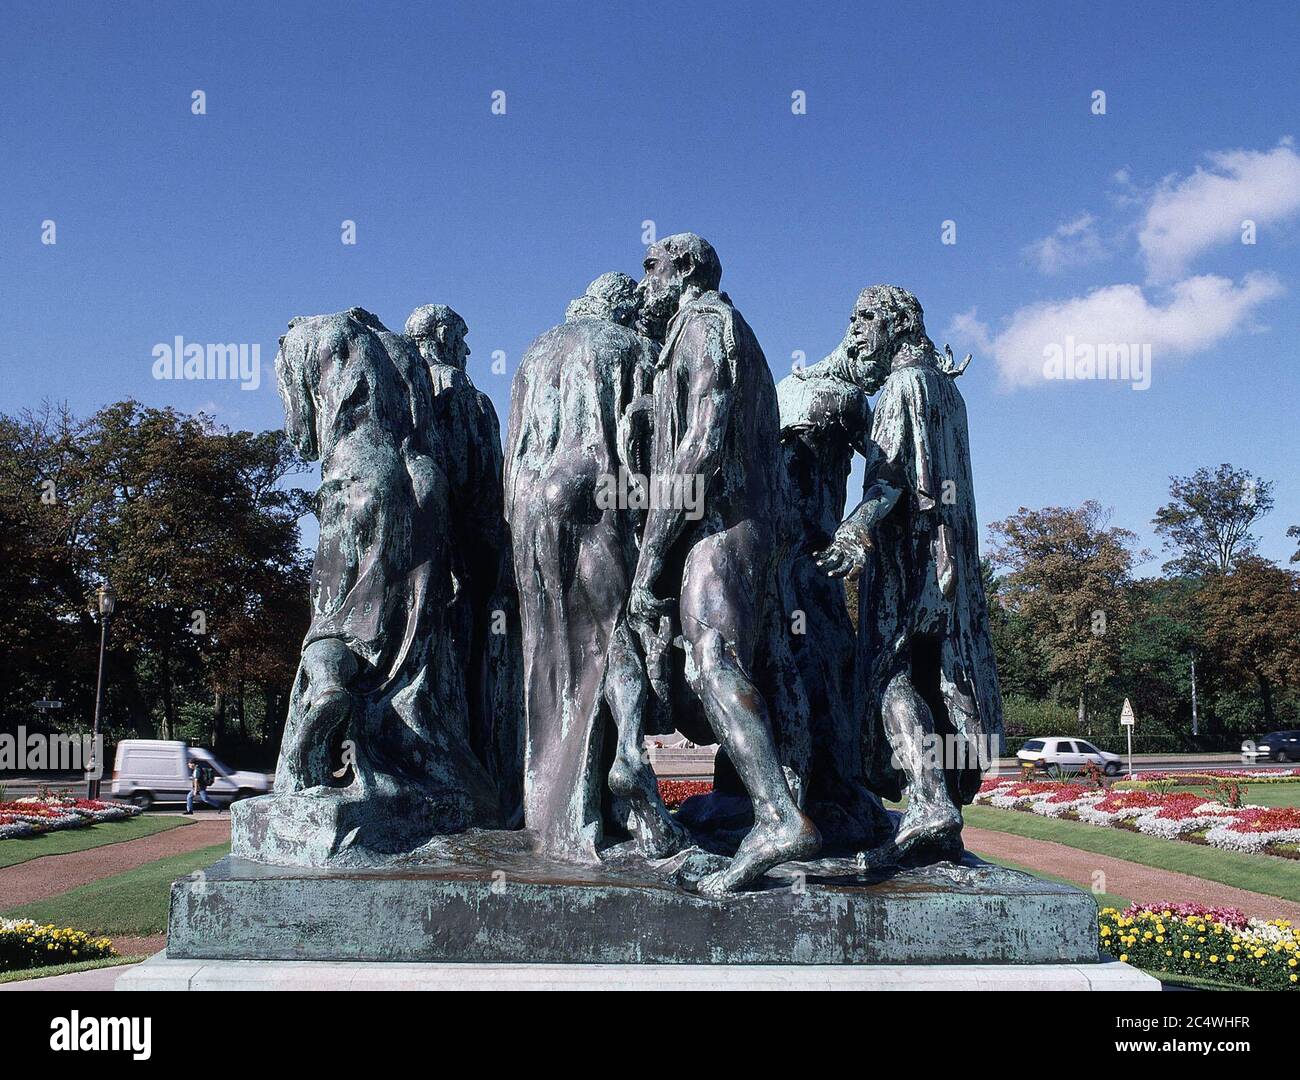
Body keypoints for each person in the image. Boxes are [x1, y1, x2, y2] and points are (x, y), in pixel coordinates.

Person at [627, 234, 820, 896]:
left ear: (682, 268)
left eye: (650, 265)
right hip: (743, 527)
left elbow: (702, 446)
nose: (643, 278)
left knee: (711, 660)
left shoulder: (705, 322)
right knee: (751, 666)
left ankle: (777, 816)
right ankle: (774, 806)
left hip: (721, 527)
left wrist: (649, 563)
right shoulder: (718, 327)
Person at [815, 285, 1003, 865]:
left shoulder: (901, 387)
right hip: (953, 564)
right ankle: (943, 812)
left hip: (910, 558)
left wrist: (852, 530)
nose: (856, 330)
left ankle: (926, 801)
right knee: (935, 678)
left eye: (866, 318)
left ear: (899, 324)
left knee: (885, 674)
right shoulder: (948, 390)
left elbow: (891, 481)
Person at [504, 272, 684, 862]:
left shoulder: (535, 351)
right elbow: (652, 441)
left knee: (550, 654)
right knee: (616, 636)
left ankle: (556, 806)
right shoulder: (633, 346)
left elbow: (516, 450)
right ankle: (627, 762)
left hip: (534, 500)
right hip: (603, 486)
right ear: (626, 307)